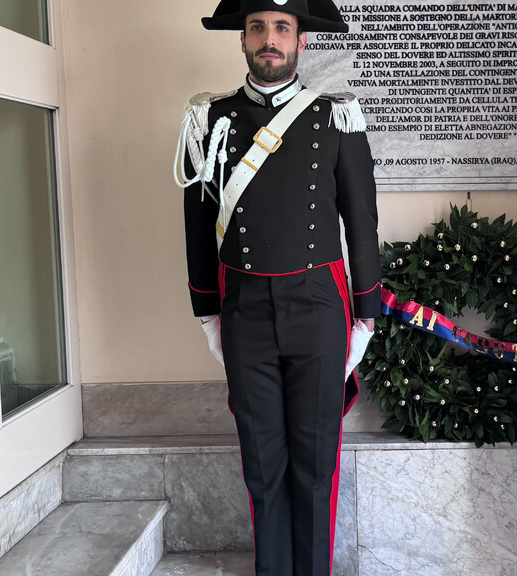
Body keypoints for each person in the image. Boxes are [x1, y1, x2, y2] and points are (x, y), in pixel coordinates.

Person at [172, 1, 380, 574]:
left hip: (318, 308)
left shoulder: (335, 118)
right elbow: (197, 224)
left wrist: (365, 314)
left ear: (301, 41)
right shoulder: (209, 119)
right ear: (243, 39)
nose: (270, 39)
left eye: (282, 28)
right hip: (244, 311)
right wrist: (207, 313)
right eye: (258, 27)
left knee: (315, 466)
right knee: (263, 465)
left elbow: (361, 221)